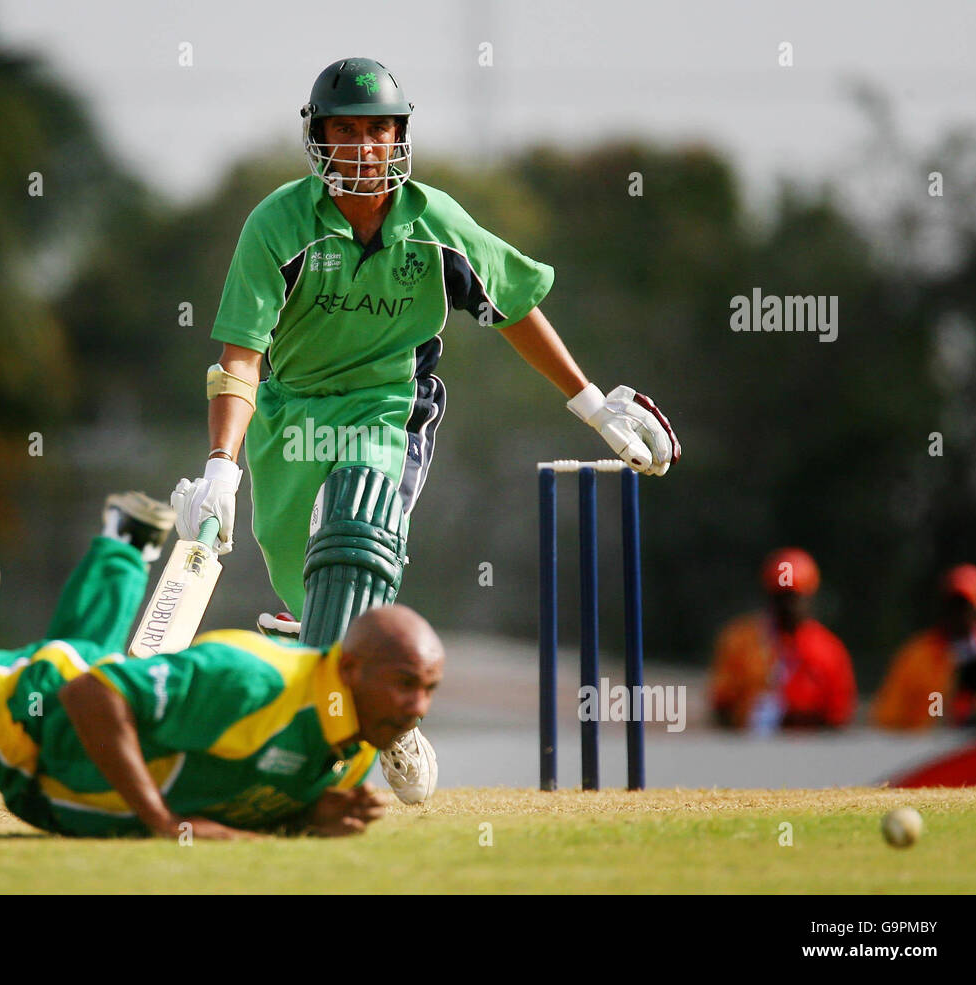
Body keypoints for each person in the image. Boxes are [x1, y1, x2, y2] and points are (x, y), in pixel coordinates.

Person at [170, 57, 680, 802]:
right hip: (290, 418)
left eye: (379, 129)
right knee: (310, 583)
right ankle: (380, 699)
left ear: (400, 135)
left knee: (353, 534)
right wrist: (222, 468)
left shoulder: (435, 221)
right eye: (346, 129)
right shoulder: (276, 224)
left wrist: (594, 404)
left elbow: (512, 307)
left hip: (387, 408)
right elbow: (240, 359)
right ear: (318, 139)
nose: (365, 146)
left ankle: (315, 765)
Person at [0, 497, 445, 839]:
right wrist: (159, 821)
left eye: (429, 689)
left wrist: (302, 816)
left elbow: (231, 792)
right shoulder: (253, 679)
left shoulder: (352, 752)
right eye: (405, 682)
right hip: (27, 716)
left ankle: (124, 545)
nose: (418, 705)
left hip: (74, 740)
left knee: (98, 657)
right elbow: (92, 695)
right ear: (349, 668)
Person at [709, 547, 856, 731]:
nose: (787, 606)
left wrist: (793, 720)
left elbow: (838, 717)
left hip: (811, 752)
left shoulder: (829, 650)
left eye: (794, 597)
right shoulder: (739, 642)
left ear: (809, 596)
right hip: (749, 750)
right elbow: (721, 706)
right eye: (780, 597)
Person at [872, 563, 976, 730]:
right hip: (928, 749)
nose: (959, 615)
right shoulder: (917, 656)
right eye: (953, 607)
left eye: (966, 608)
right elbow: (887, 719)